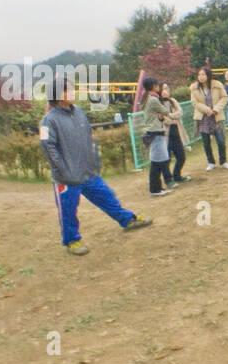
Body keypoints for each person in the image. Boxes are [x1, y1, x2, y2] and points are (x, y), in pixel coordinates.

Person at [40, 87, 149, 256]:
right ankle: (72, 240)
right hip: (66, 178)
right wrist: (64, 171)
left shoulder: (79, 112)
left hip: (88, 171)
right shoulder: (48, 121)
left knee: (107, 197)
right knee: (68, 209)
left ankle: (127, 220)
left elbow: (88, 136)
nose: (72, 93)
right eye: (66, 91)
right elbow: (48, 147)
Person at [190, 70, 227, 170]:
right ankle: (211, 162)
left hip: (216, 116)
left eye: (203, 74)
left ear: (208, 75)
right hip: (203, 117)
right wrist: (207, 110)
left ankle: (223, 161)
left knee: (221, 140)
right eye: (199, 75)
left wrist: (215, 110)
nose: (201, 77)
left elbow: (224, 98)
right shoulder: (194, 87)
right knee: (206, 142)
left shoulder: (217, 85)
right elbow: (194, 102)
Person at [142, 93, 175, 196]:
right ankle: (155, 189)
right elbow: (165, 112)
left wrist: (160, 117)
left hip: (156, 133)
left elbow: (160, 116)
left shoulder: (147, 100)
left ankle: (157, 188)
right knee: (157, 163)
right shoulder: (152, 99)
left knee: (159, 162)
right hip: (155, 133)